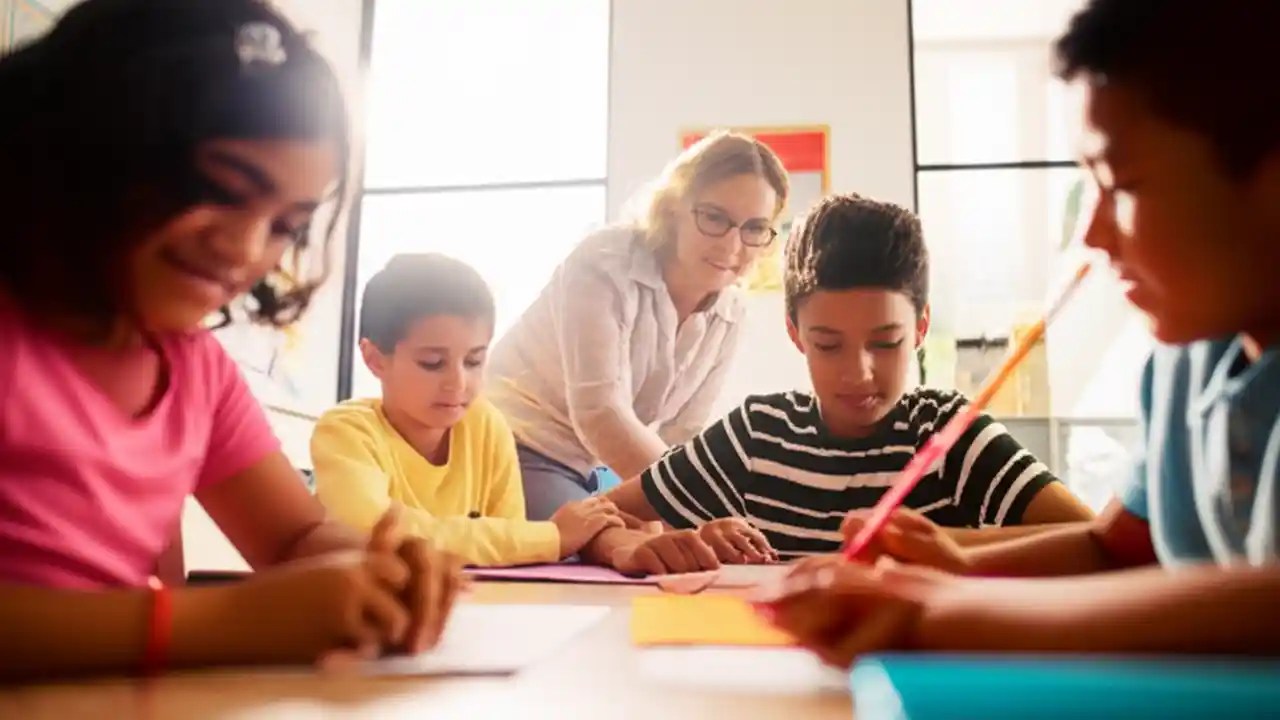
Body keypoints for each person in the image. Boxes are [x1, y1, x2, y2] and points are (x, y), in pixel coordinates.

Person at [760, 0, 1280, 666]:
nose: (1092, 236)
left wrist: (948, 613)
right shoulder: (1188, 358)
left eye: (1122, 184)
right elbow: (1114, 547)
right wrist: (955, 569)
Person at [0, 0, 460, 680]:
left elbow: (294, 534)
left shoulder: (195, 370)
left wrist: (374, 567)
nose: (248, 249)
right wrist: (225, 622)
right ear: (89, 144)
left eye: (286, 225)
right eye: (219, 188)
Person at [585, 195, 1092, 571]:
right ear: (795, 333)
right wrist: (632, 547)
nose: (859, 372)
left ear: (919, 327)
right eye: (829, 345)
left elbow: (1099, 544)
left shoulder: (947, 434)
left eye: (886, 342)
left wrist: (942, 548)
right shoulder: (760, 435)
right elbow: (585, 516)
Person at [486, 131, 790, 520]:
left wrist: (704, 509)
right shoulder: (605, 261)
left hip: (597, 468)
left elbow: (683, 433)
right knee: (604, 541)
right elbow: (600, 411)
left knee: (680, 542)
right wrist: (695, 509)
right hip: (519, 443)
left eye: (753, 228)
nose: (732, 245)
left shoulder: (731, 312)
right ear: (675, 206)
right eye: (715, 217)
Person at [311, 254, 624, 567]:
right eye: (432, 363)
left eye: (474, 361)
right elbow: (375, 535)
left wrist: (530, 541)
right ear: (375, 359)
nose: (458, 383)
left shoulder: (486, 425)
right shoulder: (345, 431)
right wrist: (551, 537)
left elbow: (513, 546)